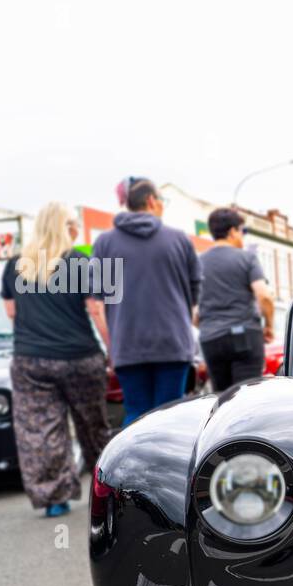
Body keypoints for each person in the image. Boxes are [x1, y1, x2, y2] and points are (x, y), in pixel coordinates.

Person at [2, 202, 111, 518]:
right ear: (66, 227)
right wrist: (111, 349)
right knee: (94, 426)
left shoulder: (15, 266)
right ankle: (107, 491)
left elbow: (11, 312)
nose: (76, 229)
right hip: (80, 356)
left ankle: (54, 499)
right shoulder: (80, 262)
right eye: (73, 223)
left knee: (39, 429)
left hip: (31, 360)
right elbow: (96, 310)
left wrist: (35, 335)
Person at [92, 179, 202, 425]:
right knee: (170, 417)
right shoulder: (179, 239)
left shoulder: (104, 243)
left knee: (135, 414)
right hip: (173, 343)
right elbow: (196, 291)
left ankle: (132, 464)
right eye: (162, 200)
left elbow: (97, 301)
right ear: (152, 201)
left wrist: (112, 345)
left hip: (128, 345)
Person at [196, 208, 273, 391]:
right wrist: (268, 325)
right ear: (232, 231)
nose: (242, 236)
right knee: (246, 396)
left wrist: (209, 325)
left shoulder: (198, 263)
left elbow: (193, 312)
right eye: (242, 231)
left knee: (222, 397)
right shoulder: (247, 259)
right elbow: (263, 296)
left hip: (211, 339)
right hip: (244, 336)